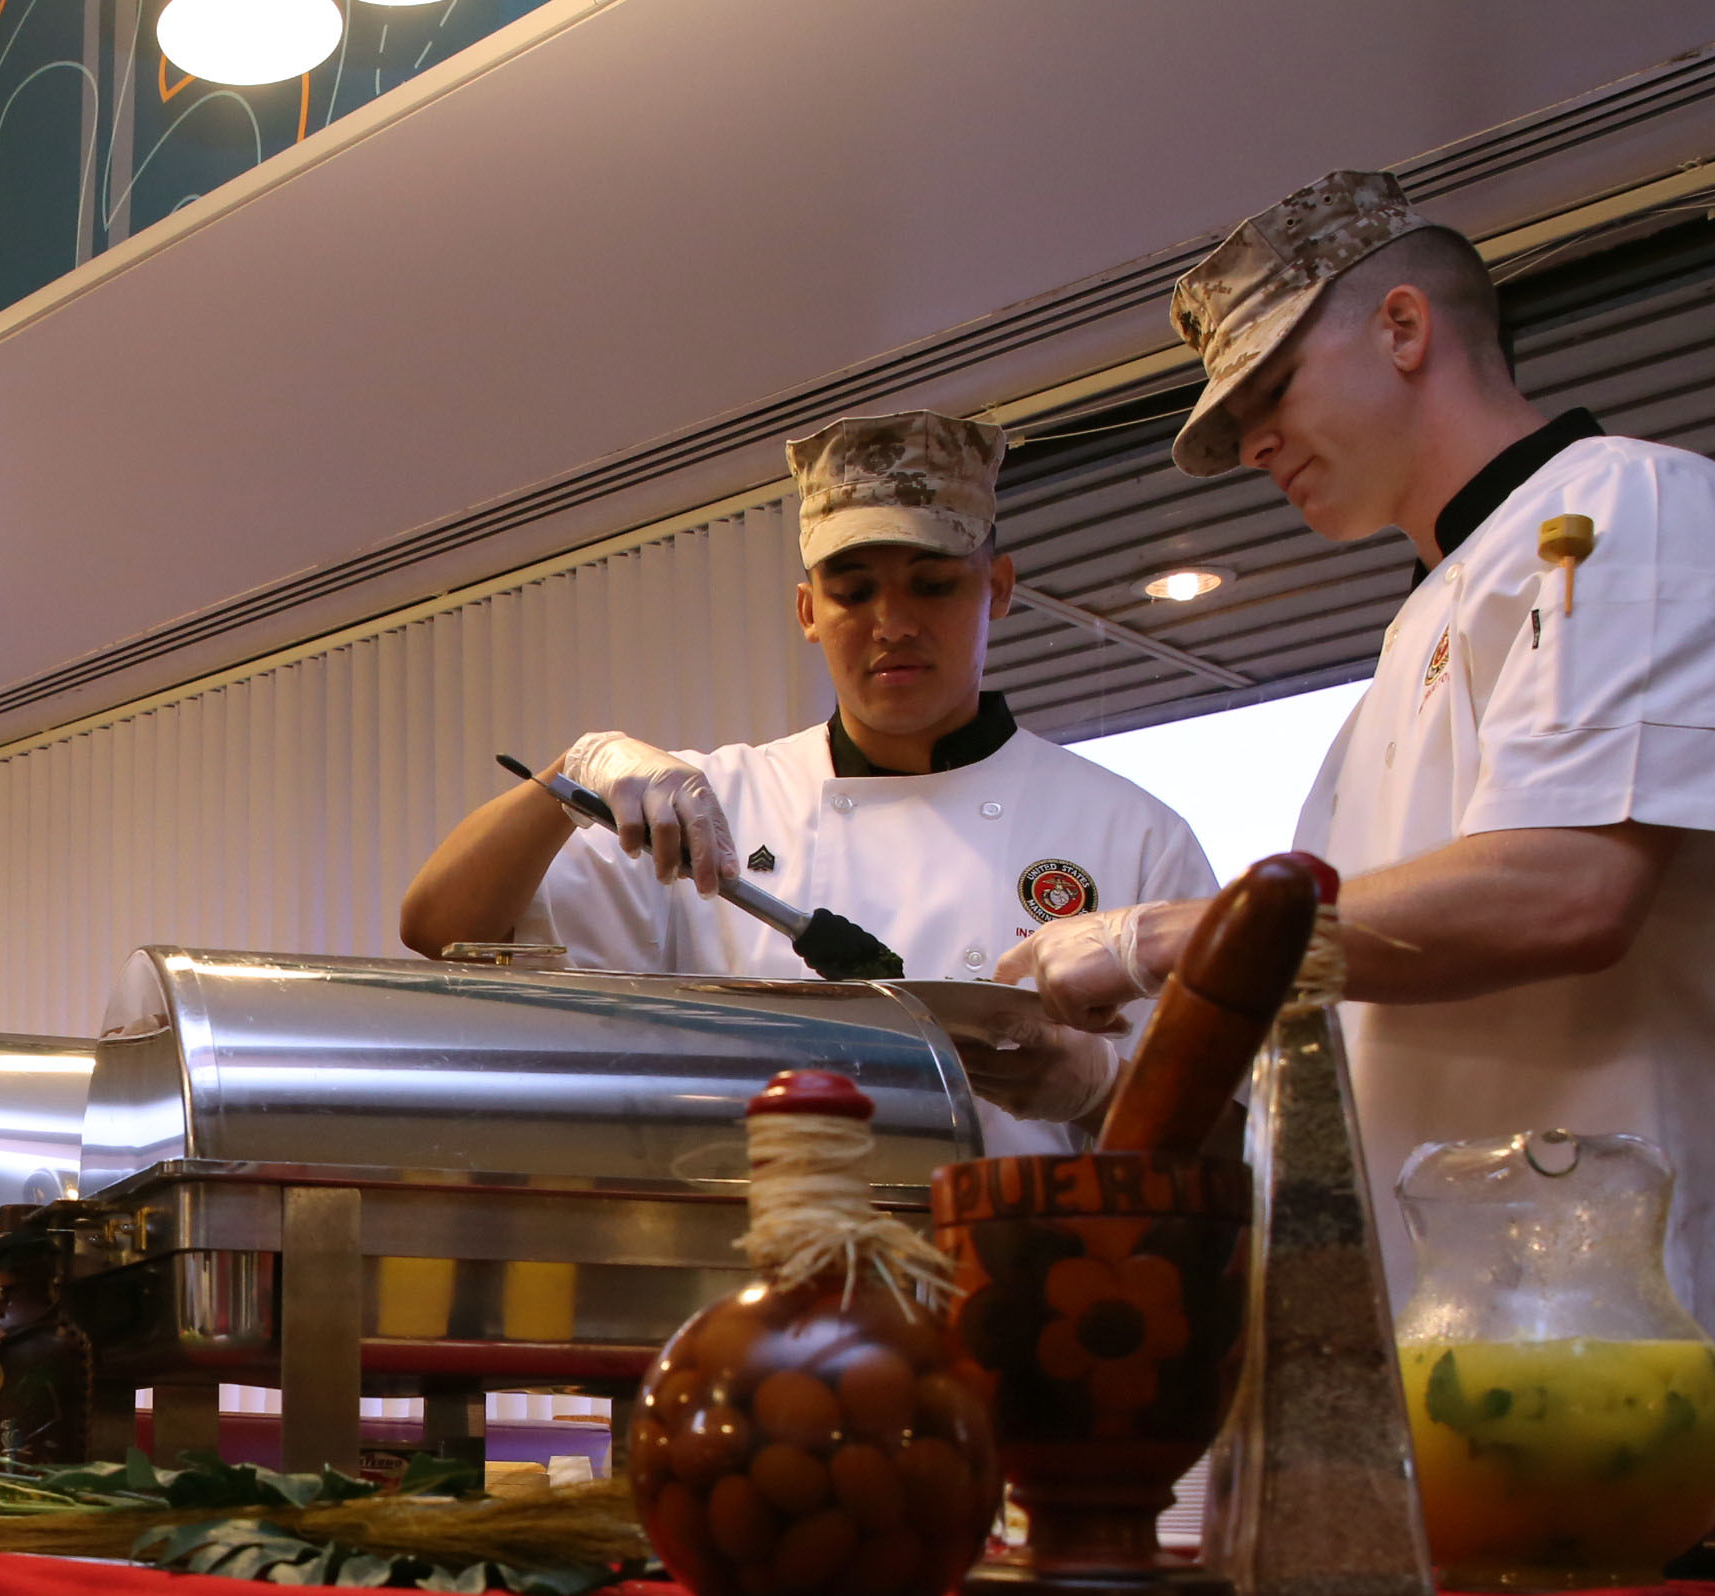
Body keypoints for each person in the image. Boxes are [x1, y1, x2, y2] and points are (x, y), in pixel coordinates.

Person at [1002, 171, 1715, 1416]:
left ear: (1404, 328)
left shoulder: (1625, 510)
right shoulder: (1412, 645)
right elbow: (1353, 1032)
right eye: (1234, 426)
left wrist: (1148, 941)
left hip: (1627, 1333)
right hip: (1452, 1328)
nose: (1255, 446)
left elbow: (1567, 891)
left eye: (1271, 390)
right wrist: (1092, 1084)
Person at [399, 410, 1217, 1151]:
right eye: (853, 591)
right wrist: (572, 769)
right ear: (806, 612)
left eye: (933, 584)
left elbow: (1227, 1138)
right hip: (755, 1266)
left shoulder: (1130, 831)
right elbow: (439, 926)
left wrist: (1099, 1093)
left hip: (1024, 1278)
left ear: (996, 589)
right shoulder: (712, 807)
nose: (892, 624)